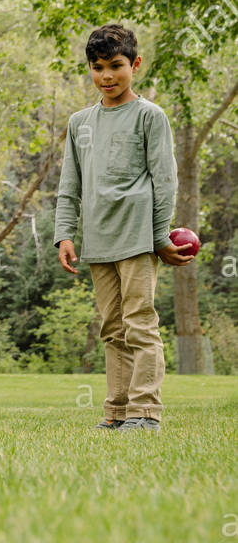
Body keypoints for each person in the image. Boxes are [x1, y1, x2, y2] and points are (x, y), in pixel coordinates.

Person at [54, 23, 192, 433]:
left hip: (137, 237)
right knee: (112, 328)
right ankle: (116, 411)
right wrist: (65, 234)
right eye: (98, 68)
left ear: (135, 64)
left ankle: (145, 411)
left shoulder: (150, 116)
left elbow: (165, 181)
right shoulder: (80, 122)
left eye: (116, 65)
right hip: (98, 240)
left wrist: (160, 237)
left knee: (140, 323)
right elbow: (69, 186)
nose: (107, 76)